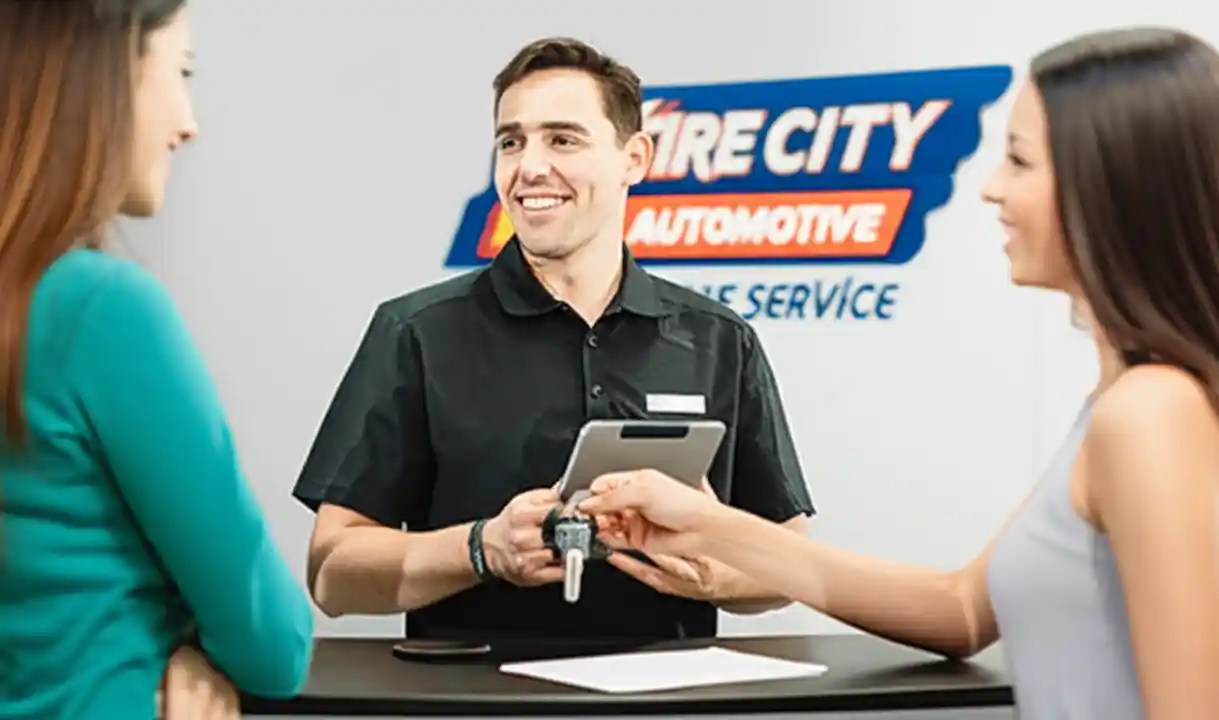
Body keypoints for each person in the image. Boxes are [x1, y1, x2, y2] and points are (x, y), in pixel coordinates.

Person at [577, 27, 1219, 719]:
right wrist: (711, 524)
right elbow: (963, 610)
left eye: (1021, 161)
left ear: (1113, 185)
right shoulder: (1123, 405)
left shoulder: (1152, 414)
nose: (992, 190)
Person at [292, 36, 815, 642]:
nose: (529, 167)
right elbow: (332, 574)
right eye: (511, 141)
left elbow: (791, 564)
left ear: (635, 158)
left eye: (563, 139)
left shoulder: (719, 339)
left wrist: (712, 572)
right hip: (477, 705)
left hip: (668, 700)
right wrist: (480, 548)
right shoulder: (416, 333)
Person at [0, 2, 314, 718]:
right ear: (109, 76)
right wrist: (189, 637)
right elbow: (272, 641)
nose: (188, 122)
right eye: (181, 73)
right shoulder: (100, 308)